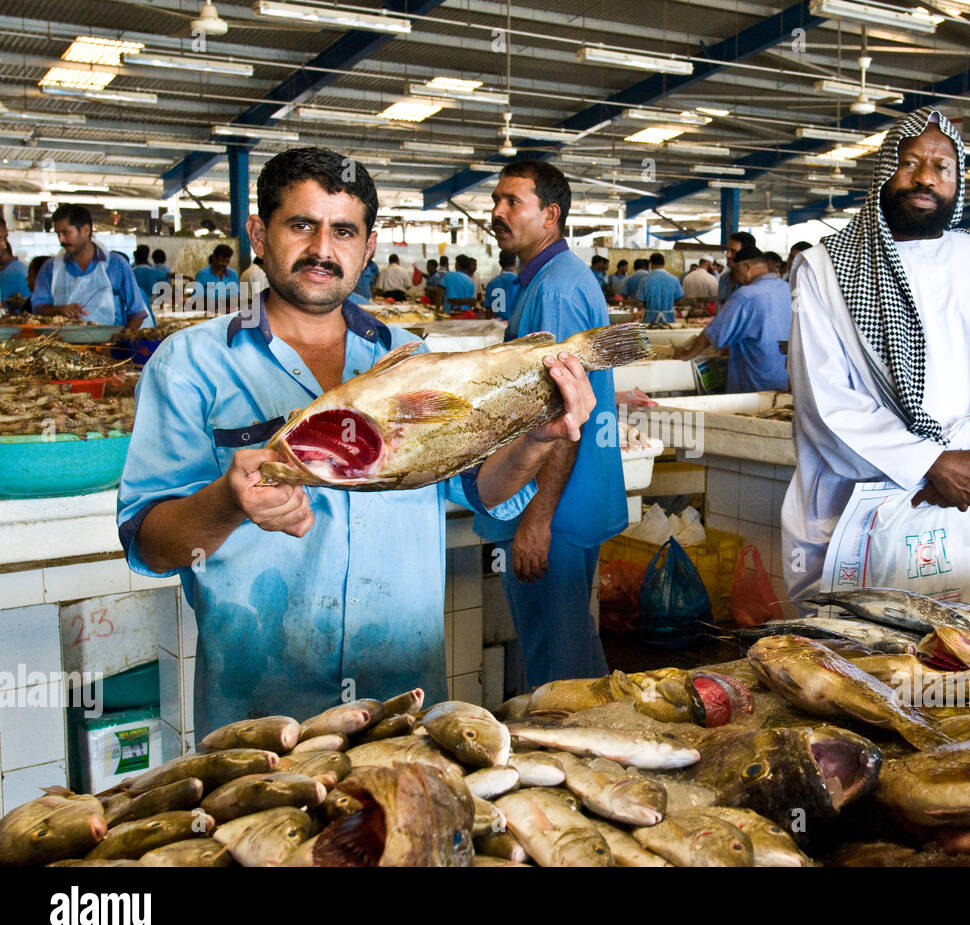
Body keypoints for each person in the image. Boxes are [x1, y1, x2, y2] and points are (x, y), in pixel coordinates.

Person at [115, 147, 595, 736]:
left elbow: (477, 487)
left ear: (368, 248)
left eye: (343, 231)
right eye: (301, 225)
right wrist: (226, 502)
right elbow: (151, 543)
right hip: (262, 715)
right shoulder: (189, 365)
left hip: (404, 701)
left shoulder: (412, 363)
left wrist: (535, 442)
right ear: (259, 234)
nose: (322, 249)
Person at [781, 108, 970, 603]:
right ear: (884, 170)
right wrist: (929, 463)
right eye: (910, 163)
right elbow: (823, 399)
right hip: (863, 501)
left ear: (959, 181)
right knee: (858, 662)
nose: (925, 179)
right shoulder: (825, 269)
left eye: (942, 168)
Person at [477, 159, 627, 687]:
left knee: (558, 665)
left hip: (553, 508)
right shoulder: (546, 280)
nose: (497, 212)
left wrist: (536, 518)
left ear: (550, 215)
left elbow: (562, 415)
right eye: (496, 200)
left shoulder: (556, 290)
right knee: (567, 646)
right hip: (562, 500)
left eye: (512, 202)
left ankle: (576, 757)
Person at [674, 246, 791, 392]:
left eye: (736, 270)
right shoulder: (787, 289)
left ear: (747, 267)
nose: (735, 277)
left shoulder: (745, 295)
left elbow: (712, 334)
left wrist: (686, 355)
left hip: (754, 381)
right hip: (783, 378)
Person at [31, 204, 148, 329]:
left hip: (111, 345)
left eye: (66, 232)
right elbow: (38, 308)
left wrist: (121, 341)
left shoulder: (116, 265)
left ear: (86, 230)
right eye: (58, 233)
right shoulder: (50, 268)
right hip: (62, 345)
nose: (61, 239)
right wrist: (60, 309)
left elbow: (137, 313)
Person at [635, 252, 683, 325]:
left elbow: (640, 303)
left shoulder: (645, 280)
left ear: (651, 264)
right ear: (664, 264)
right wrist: (668, 304)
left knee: (651, 336)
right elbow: (679, 299)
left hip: (650, 320)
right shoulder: (674, 279)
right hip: (669, 319)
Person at [194, 244, 241, 312]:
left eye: (227, 261)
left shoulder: (233, 274)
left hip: (229, 314)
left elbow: (237, 299)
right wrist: (223, 302)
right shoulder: (203, 274)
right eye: (221, 260)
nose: (224, 264)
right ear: (214, 258)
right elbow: (196, 302)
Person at [717, 231, 756, 305]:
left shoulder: (754, 283)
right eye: (727, 250)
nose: (727, 255)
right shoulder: (724, 279)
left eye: (733, 251)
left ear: (747, 254)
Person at [485, 250, 521, 325]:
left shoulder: (492, 283)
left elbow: (488, 310)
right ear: (515, 263)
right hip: (515, 325)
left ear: (500, 263)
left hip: (497, 324)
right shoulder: (520, 282)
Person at [0, 240, 29, 308]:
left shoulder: (8, 272)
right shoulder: (20, 266)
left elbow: (2, 302)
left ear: (3, 253)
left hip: (18, 314)